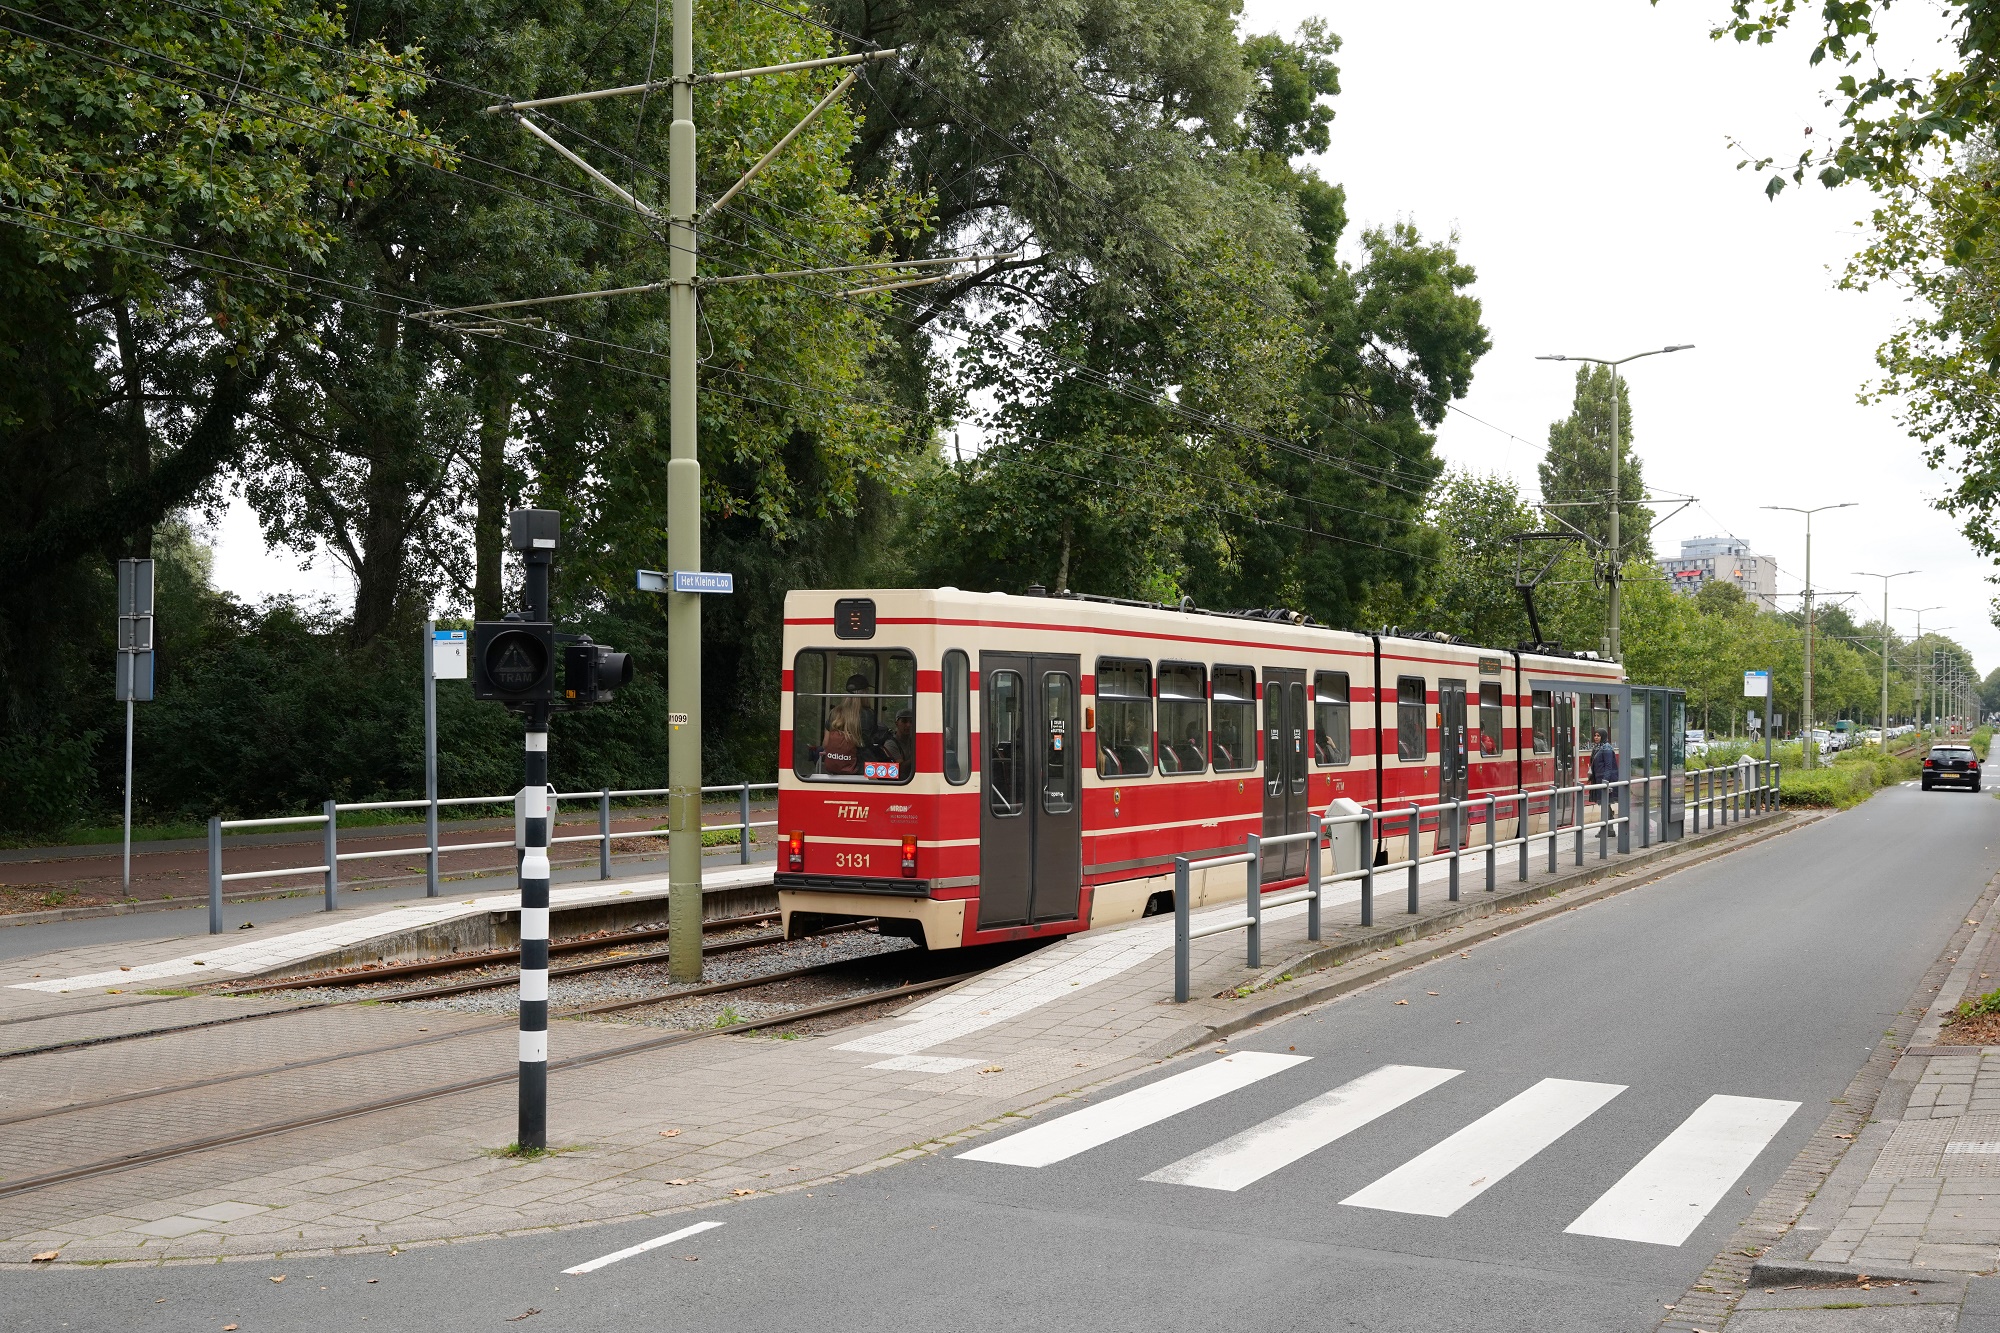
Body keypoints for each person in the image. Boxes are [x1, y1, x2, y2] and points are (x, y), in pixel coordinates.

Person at [820, 696, 862, 775]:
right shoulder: (858, 722)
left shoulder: (833, 717)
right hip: (852, 772)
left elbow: (825, 744)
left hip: (831, 769)